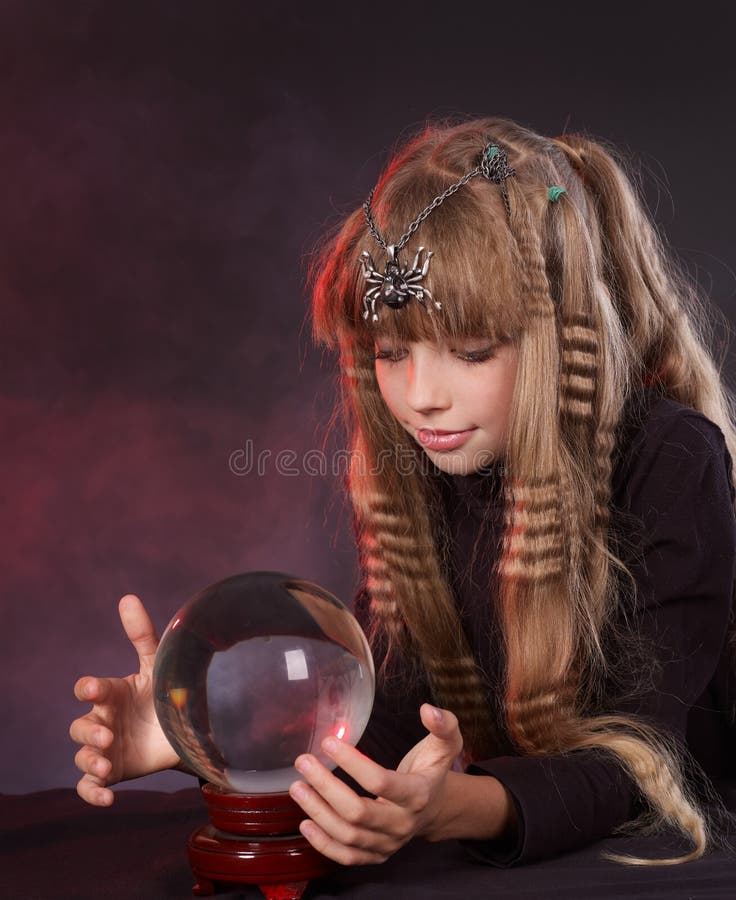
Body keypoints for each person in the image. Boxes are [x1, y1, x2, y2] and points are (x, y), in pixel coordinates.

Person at [70, 116, 736, 870]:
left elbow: (639, 765)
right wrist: (200, 743)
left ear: (557, 337)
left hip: (678, 862)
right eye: (391, 352)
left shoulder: (672, 460)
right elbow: (385, 725)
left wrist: (462, 806)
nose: (420, 397)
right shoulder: (424, 468)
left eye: (472, 351)